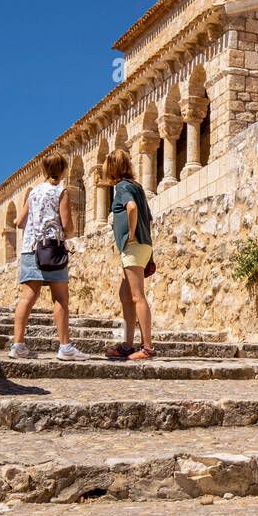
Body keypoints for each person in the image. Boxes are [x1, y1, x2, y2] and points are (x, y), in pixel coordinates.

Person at [9, 153, 87, 361]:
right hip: (52, 248)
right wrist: (67, 233)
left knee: (27, 298)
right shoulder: (61, 191)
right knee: (60, 298)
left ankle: (18, 344)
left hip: (29, 249)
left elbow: (19, 222)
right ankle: (65, 347)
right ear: (62, 170)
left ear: (44, 170)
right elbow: (67, 224)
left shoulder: (34, 192)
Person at [102, 150, 156, 362]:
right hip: (141, 246)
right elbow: (148, 218)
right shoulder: (137, 187)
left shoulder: (121, 187)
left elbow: (131, 208)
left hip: (133, 246)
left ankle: (148, 347)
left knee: (136, 296)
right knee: (125, 295)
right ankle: (127, 345)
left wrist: (131, 235)